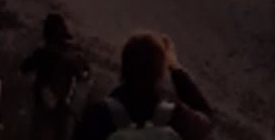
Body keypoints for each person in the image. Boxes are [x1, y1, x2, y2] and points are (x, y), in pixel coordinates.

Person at [72, 32, 213, 140]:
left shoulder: (100, 116)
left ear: (124, 68)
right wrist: (175, 68)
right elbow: (207, 119)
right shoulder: (176, 118)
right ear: (159, 74)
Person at [20, 13, 92, 140]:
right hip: (62, 107)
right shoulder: (70, 55)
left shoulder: (44, 54)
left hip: (51, 107)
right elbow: (85, 75)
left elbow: (25, 68)